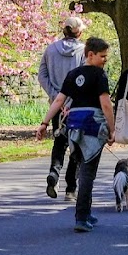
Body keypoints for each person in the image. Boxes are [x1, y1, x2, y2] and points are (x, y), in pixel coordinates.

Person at [38, 37, 116, 232]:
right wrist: (112, 129)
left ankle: (86, 212)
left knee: (82, 167)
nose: (105, 60)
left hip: (74, 126)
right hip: (93, 126)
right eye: (102, 56)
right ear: (90, 55)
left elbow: (58, 101)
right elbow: (106, 104)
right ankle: (81, 216)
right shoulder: (100, 76)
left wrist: (44, 122)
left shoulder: (73, 74)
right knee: (88, 172)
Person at [38, 16, 87, 200]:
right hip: (76, 105)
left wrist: (54, 95)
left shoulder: (50, 50)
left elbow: (42, 75)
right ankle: (71, 188)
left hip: (56, 105)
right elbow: (83, 79)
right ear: (79, 32)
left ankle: (54, 173)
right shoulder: (83, 51)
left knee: (59, 141)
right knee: (76, 143)